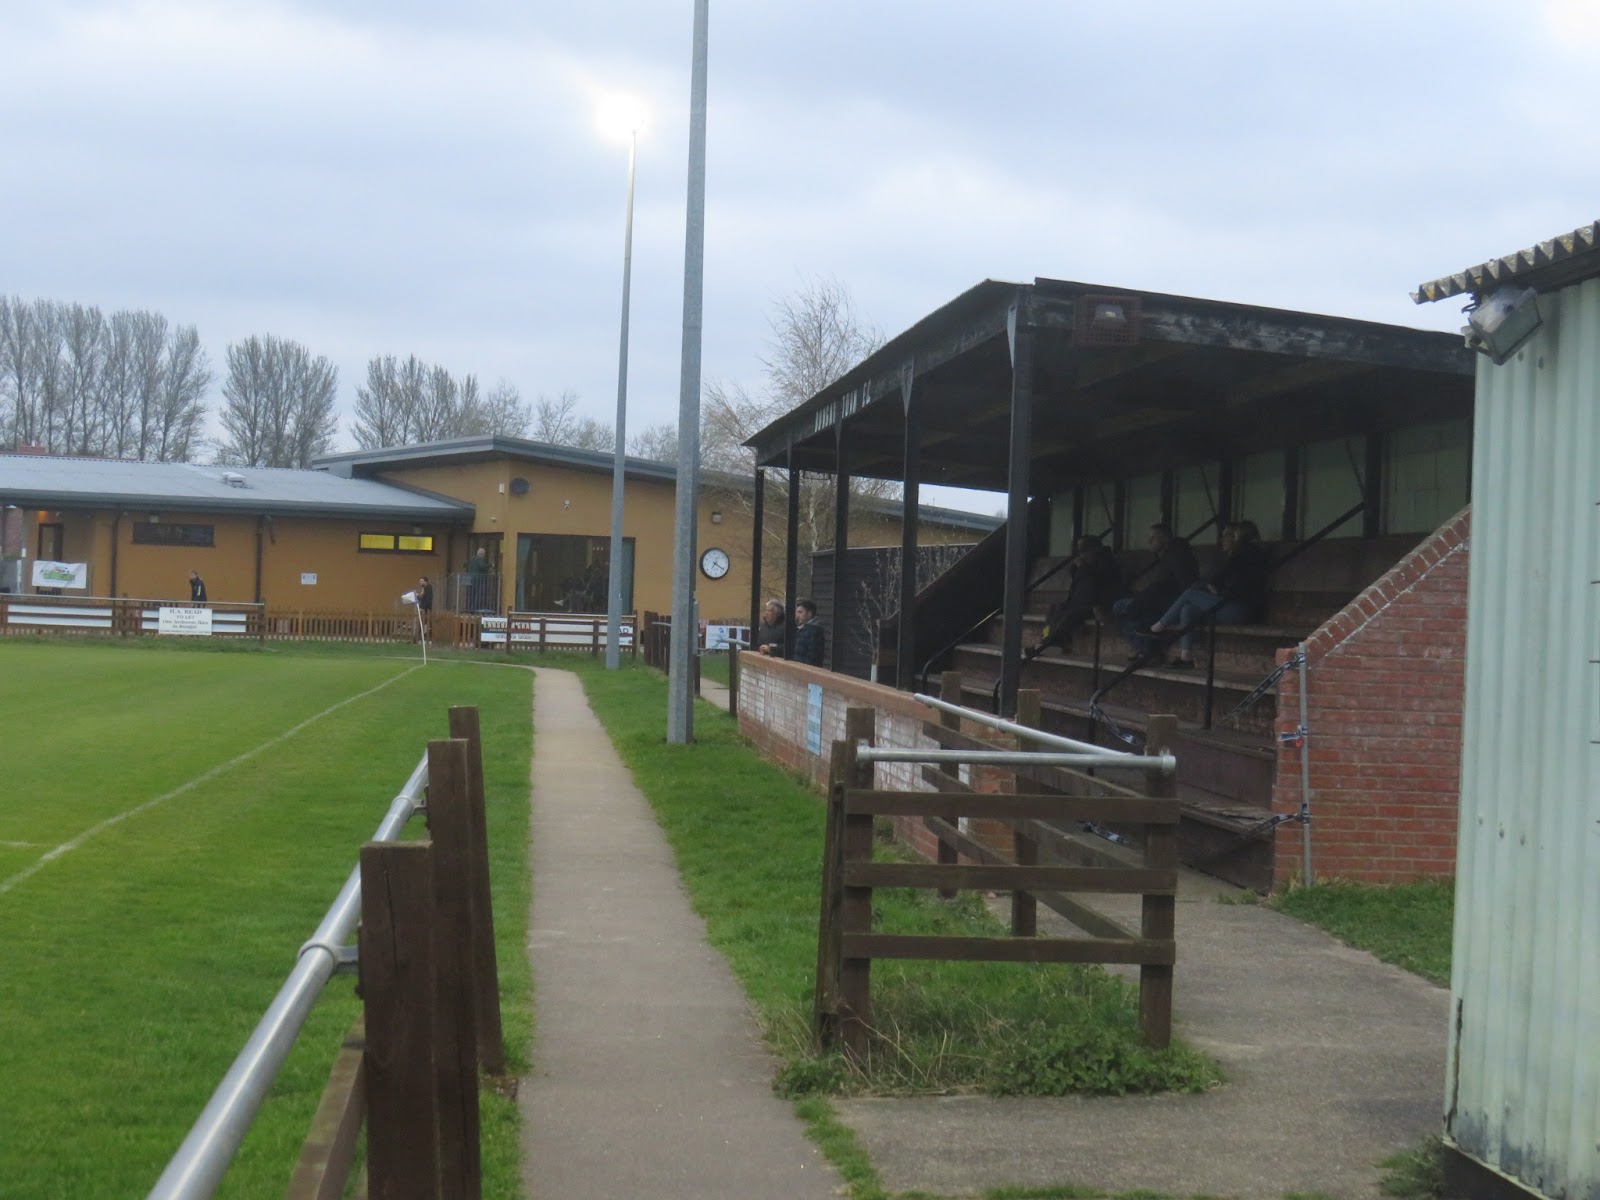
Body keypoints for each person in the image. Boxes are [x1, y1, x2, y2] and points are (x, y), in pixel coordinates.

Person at [1148, 520, 1270, 668]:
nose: (1222, 540)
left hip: (1239, 609)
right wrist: (1212, 587)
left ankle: (1158, 627)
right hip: (1227, 604)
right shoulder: (1231, 557)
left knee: (1190, 593)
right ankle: (1186, 658)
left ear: (1237, 537)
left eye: (1227, 535)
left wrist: (1215, 589)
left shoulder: (1245, 557)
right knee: (1187, 609)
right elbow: (1216, 581)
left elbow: (1238, 588)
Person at [1115, 522, 1200, 660]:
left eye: (1153, 537)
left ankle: (1147, 650)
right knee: (1132, 610)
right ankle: (1148, 651)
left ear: (1165, 539)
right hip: (1160, 602)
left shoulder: (1177, 556)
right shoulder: (1168, 556)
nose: (1148, 541)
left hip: (1172, 604)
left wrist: (1143, 600)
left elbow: (1185, 586)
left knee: (1120, 607)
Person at [1030, 535, 1122, 657]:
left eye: (1084, 551)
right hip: (1080, 601)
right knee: (1054, 610)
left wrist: (1083, 568)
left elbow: (1091, 589)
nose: (1081, 555)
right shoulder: (1085, 565)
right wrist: (1076, 569)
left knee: (1070, 616)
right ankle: (1047, 640)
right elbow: (1078, 587)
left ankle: (1048, 644)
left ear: (1094, 550)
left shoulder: (1106, 563)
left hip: (1098, 603)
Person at [792, 597, 826, 666]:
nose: (797, 615)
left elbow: (812, 657)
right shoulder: (799, 628)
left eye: (800, 612)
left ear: (809, 614)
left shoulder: (815, 631)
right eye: (796, 612)